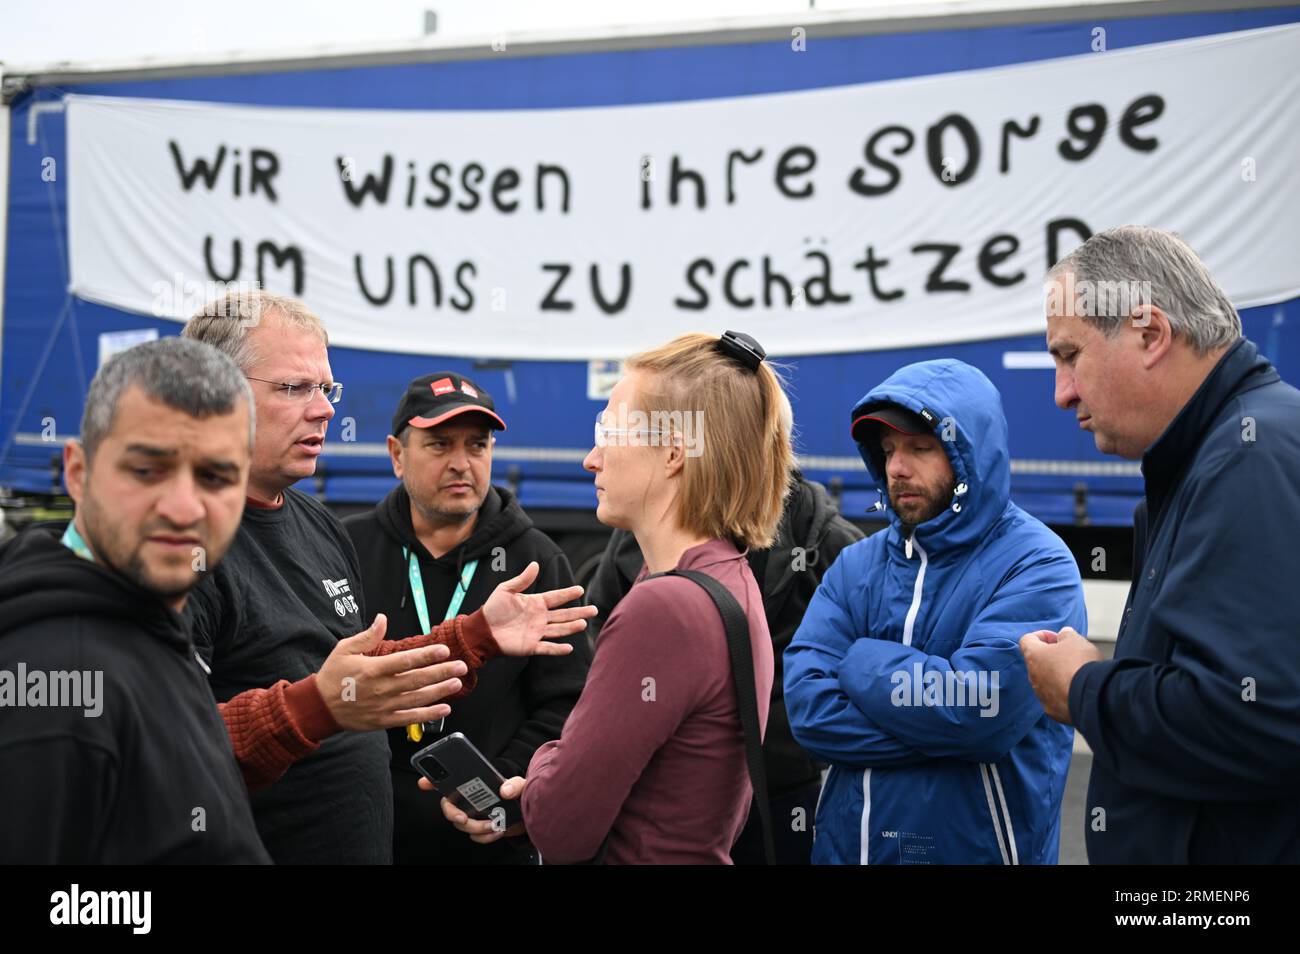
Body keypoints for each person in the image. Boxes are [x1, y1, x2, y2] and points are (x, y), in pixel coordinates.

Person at [181, 291, 595, 863]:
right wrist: (317, 707)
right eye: (295, 388)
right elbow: (163, 747)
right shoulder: (176, 541)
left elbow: (354, 675)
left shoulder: (317, 524)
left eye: (327, 390)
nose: (325, 410)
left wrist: (476, 635)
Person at [436, 331, 793, 863]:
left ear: (673, 451)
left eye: (609, 431)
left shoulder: (664, 609)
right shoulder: (729, 574)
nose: (591, 458)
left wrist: (547, 768)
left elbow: (562, 829)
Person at [1021, 225, 1300, 863]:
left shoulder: (1248, 458)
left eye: (1070, 355)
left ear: (1150, 335)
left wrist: (1083, 688)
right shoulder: (1225, 452)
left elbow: (1252, 716)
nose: (1062, 393)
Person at [785, 359, 1086, 864]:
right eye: (888, 451)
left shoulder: (1037, 564)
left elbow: (978, 710)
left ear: (971, 453)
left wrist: (861, 662)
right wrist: (943, 733)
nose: (897, 468)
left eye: (921, 448)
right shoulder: (857, 564)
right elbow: (809, 713)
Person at [0, 338, 269, 862]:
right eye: (147, 470)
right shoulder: (56, 686)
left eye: (215, 477)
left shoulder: (146, 619)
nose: (183, 508)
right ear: (78, 473)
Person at [344, 372, 591, 865]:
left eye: (477, 445)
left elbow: (568, 703)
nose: (461, 463)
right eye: (439, 445)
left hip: (486, 839)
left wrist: (500, 781)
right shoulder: (348, 547)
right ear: (396, 455)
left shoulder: (535, 561)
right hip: (367, 834)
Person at [585, 467, 864, 864]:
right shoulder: (645, 531)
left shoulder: (829, 541)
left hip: (786, 796)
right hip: (671, 796)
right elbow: (602, 631)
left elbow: (857, 673)